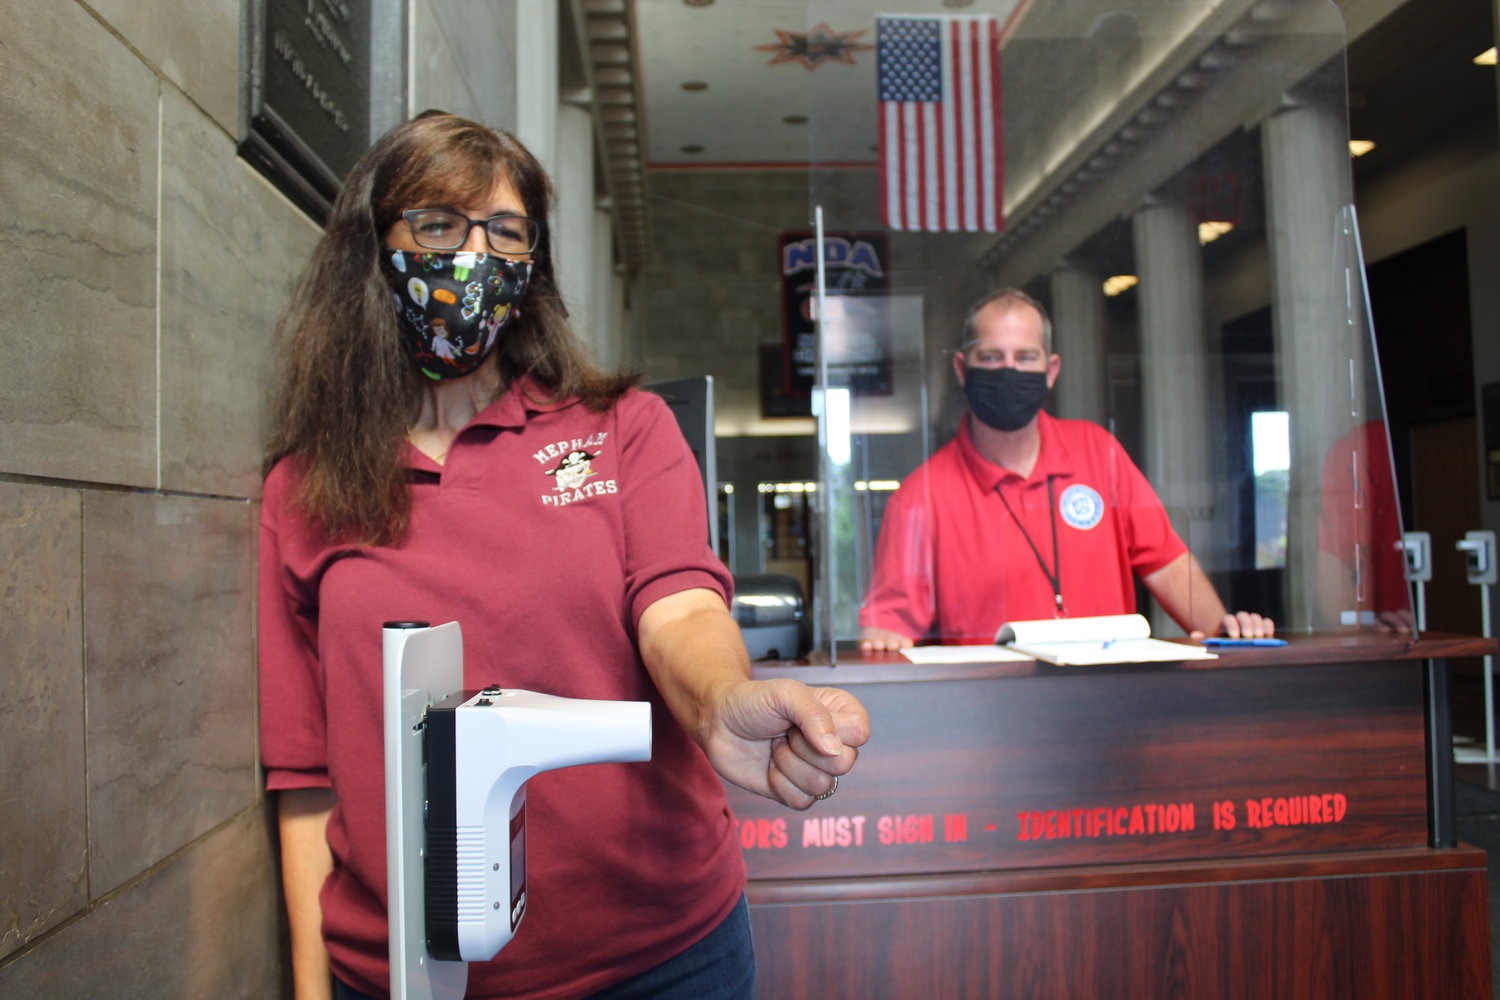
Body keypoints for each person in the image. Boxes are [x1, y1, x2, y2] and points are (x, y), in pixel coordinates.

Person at [259, 110, 870, 1000]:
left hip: (656, 958)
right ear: (371, 247)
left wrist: (721, 700)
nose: (473, 259)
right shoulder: (303, 488)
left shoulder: (622, 430)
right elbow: (307, 776)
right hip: (407, 972)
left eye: (505, 234)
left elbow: (680, 604)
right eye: (438, 226)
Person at [860, 288, 1273, 651]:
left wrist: (1225, 634)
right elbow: (887, 631)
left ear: (1051, 370)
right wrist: (880, 641)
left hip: (1108, 701)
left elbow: (1167, 563)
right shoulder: (922, 495)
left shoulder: (1098, 452)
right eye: (991, 357)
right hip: (988, 715)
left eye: (1025, 357)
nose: (1009, 371)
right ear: (963, 369)